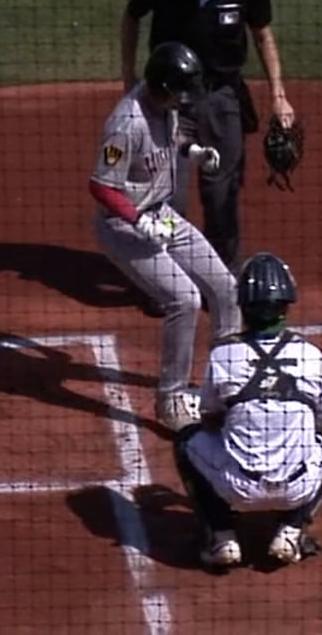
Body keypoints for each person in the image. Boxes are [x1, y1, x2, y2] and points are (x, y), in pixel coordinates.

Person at [120, 0, 296, 270]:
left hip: (221, 98)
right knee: (169, 195)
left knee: (221, 194)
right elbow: (131, 17)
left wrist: (279, 95)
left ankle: (224, 276)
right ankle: (167, 276)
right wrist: (128, 76)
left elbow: (262, 35)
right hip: (168, 101)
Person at [89, 42, 243, 433]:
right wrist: (139, 222)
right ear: (161, 86)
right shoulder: (127, 123)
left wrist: (194, 151)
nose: (184, 99)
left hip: (164, 216)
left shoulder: (166, 106)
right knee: (184, 299)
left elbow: (171, 141)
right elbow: (102, 187)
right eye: (179, 91)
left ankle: (228, 378)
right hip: (124, 227)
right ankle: (171, 398)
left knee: (225, 286)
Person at [173, 252, 322, 569]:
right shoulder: (312, 355)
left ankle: (222, 539)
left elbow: (208, 417)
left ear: (243, 307)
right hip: (299, 486)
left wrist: (240, 416)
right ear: (286, 304)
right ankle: (291, 531)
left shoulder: (224, 355)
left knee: (185, 441)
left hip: (236, 487)